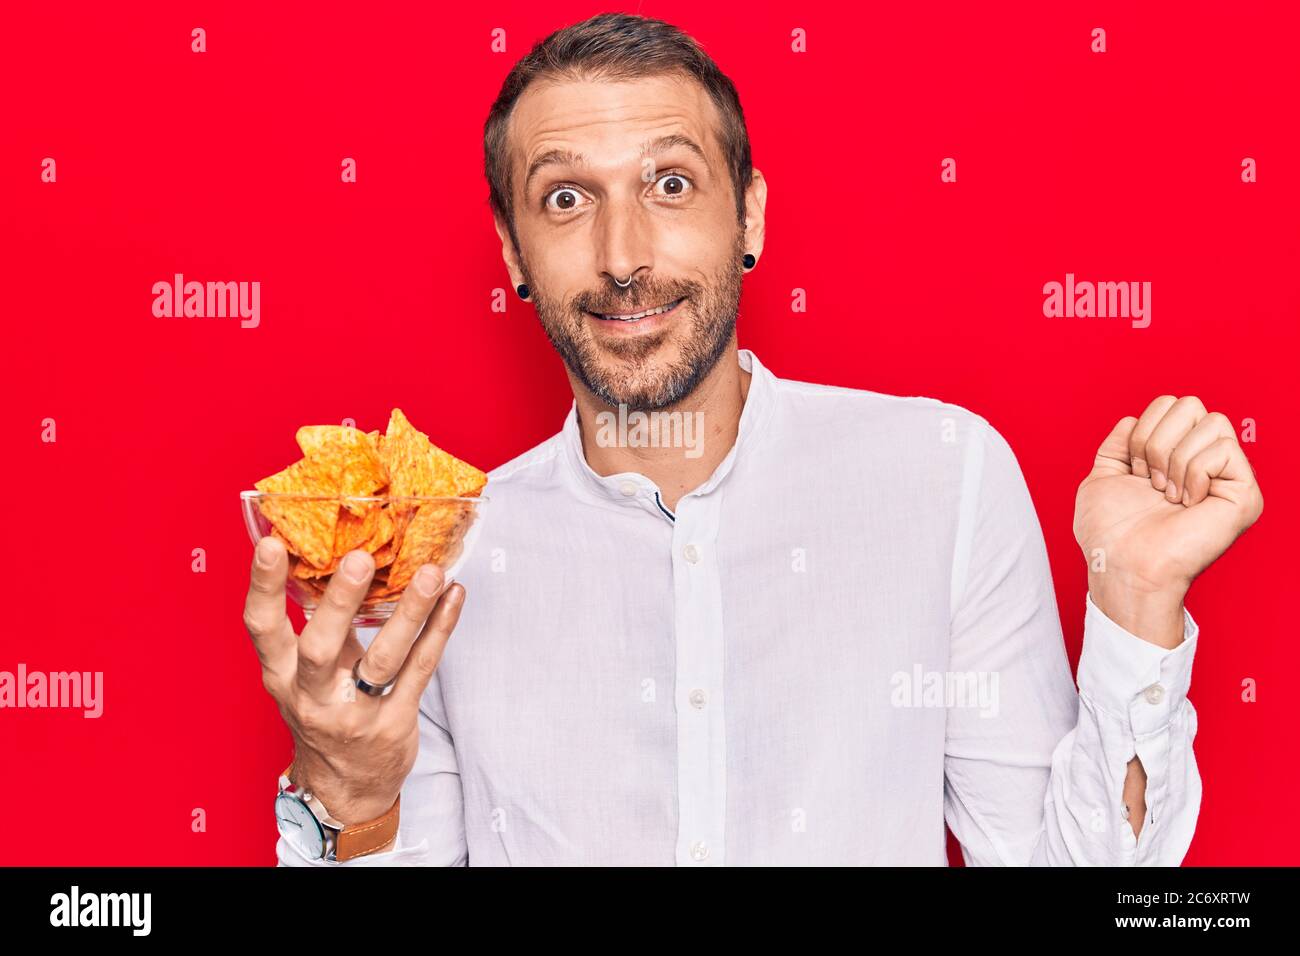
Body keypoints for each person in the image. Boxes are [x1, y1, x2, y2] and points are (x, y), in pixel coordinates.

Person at [244, 13, 1263, 866]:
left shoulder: (940, 479)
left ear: (751, 217)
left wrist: (1134, 603)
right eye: (566, 198)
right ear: (513, 248)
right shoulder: (431, 559)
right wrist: (355, 796)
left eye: (671, 184)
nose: (624, 255)